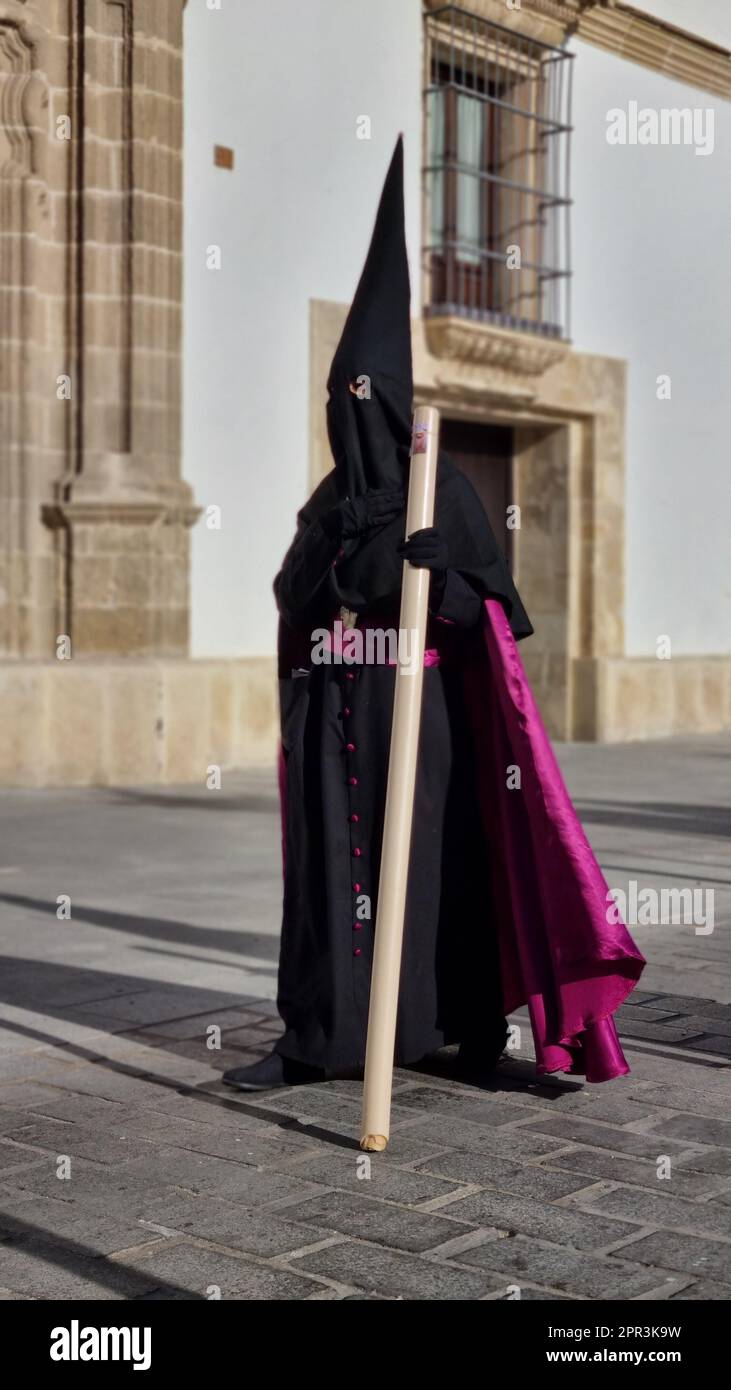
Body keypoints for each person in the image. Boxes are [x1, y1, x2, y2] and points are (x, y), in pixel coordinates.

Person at [224, 138, 644, 1093]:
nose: (350, 418)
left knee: (439, 876)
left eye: (365, 402)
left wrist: (442, 581)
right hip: (339, 726)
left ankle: (462, 1030)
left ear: (396, 405)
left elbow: (500, 615)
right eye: (340, 403)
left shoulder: (441, 489)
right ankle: (319, 1036)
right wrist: (336, 569)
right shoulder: (329, 501)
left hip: (431, 728)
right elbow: (291, 596)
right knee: (332, 887)